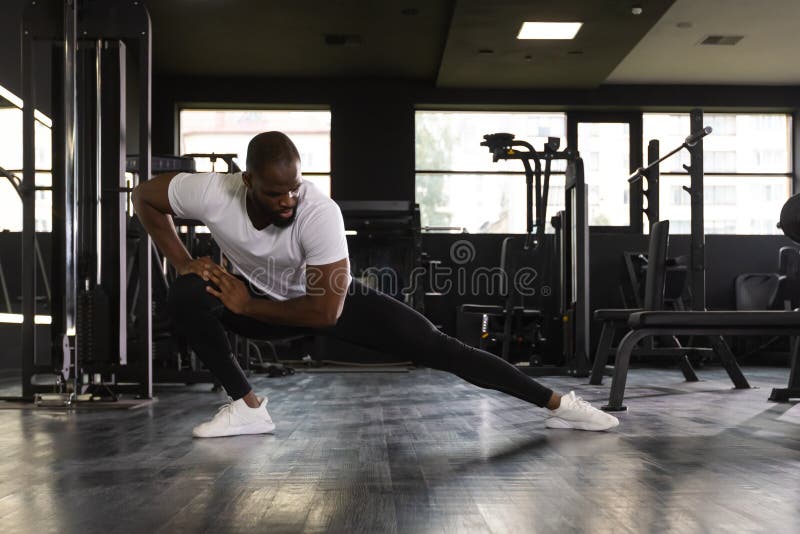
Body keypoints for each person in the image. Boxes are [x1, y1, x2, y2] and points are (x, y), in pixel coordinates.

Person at [132, 131, 619, 438]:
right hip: (256, 297)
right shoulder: (212, 191)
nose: (287, 201)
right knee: (186, 294)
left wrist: (247, 305)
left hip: (321, 300)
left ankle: (559, 404)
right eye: (275, 192)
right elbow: (145, 198)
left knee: (439, 347)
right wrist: (183, 262)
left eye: (294, 188)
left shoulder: (319, 213)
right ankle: (247, 407)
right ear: (247, 182)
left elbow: (324, 314)